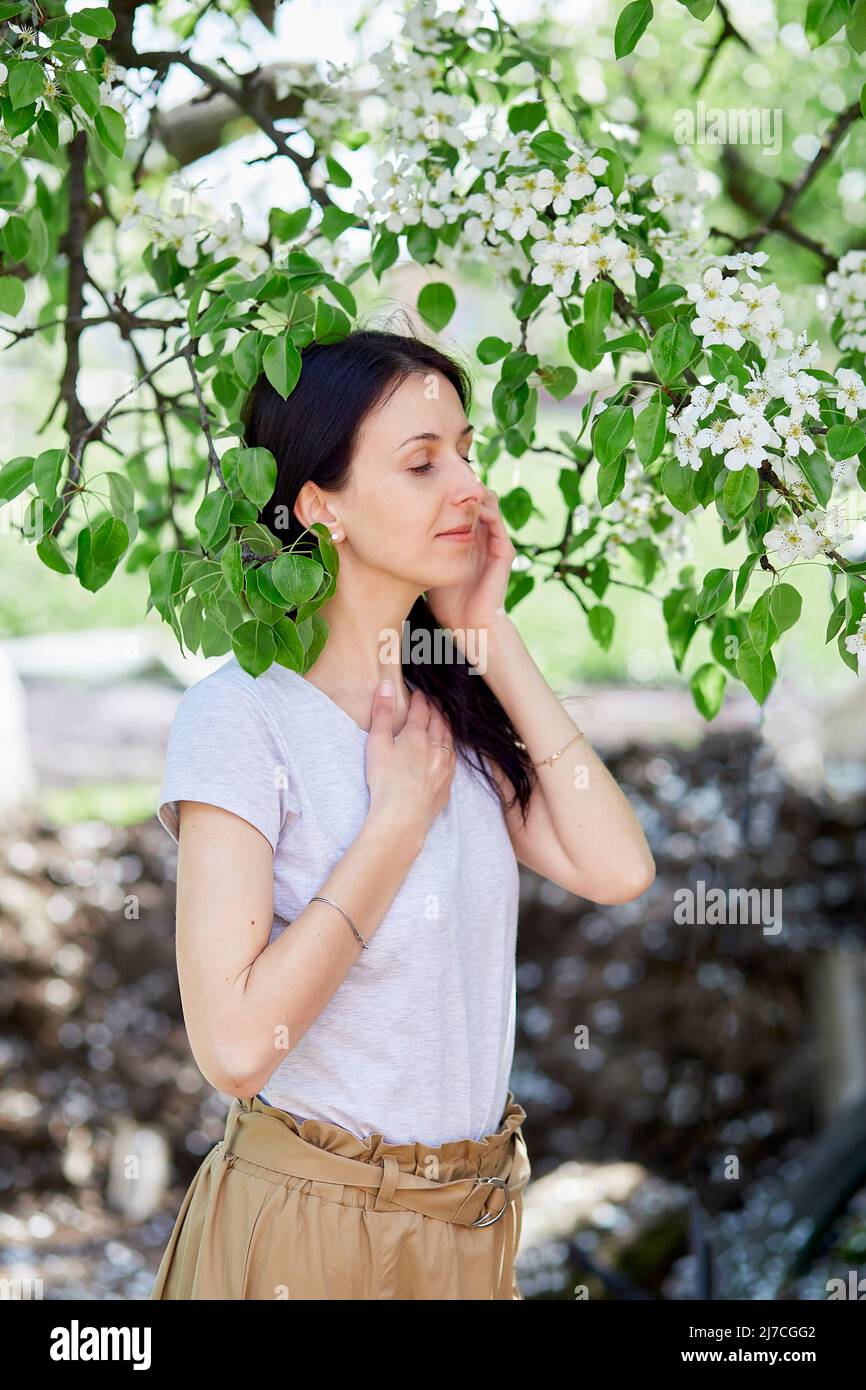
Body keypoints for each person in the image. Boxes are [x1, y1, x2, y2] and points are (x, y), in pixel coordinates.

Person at [149, 325, 656, 1300]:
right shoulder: (241, 716)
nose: (468, 487)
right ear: (319, 505)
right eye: (422, 463)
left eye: (465, 451)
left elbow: (616, 867)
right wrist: (392, 828)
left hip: (470, 1225)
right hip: (313, 1231)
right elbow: (236, 1049)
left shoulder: (450, 705)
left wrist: (486, 630)